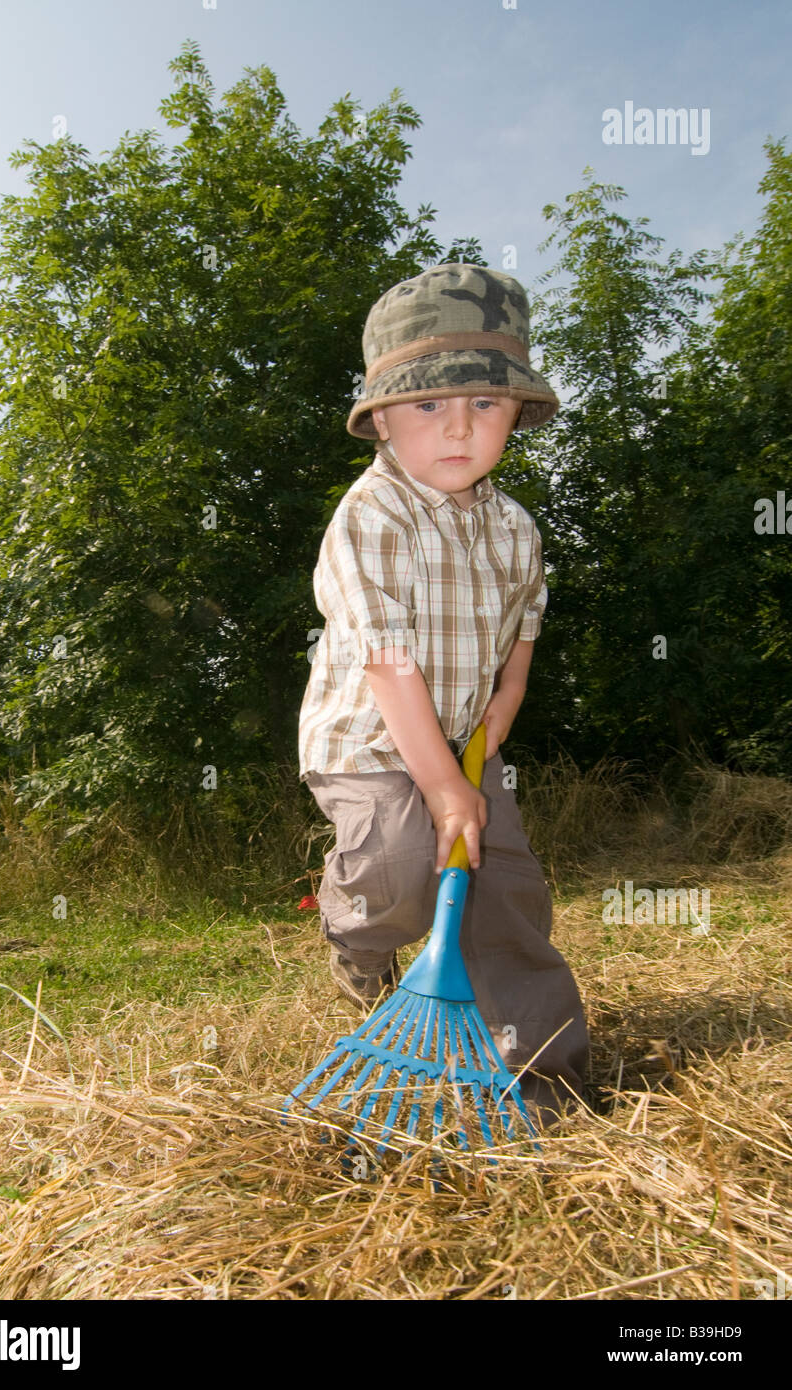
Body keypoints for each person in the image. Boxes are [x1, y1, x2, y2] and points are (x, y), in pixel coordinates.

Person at [298, 263, 590, 1129]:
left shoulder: (515, 526)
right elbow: (387, 665)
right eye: (429, 405)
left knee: (504, 895)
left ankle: (546, 1079)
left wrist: (500, 714)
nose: (459, 427)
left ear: (517, 415)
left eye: (485, 405)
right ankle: (358, 937)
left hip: (467, 742)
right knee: (398, 867)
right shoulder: (371, 516)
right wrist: (439, 786)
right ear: (381, 418)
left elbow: (523, 630)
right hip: (369, 744)